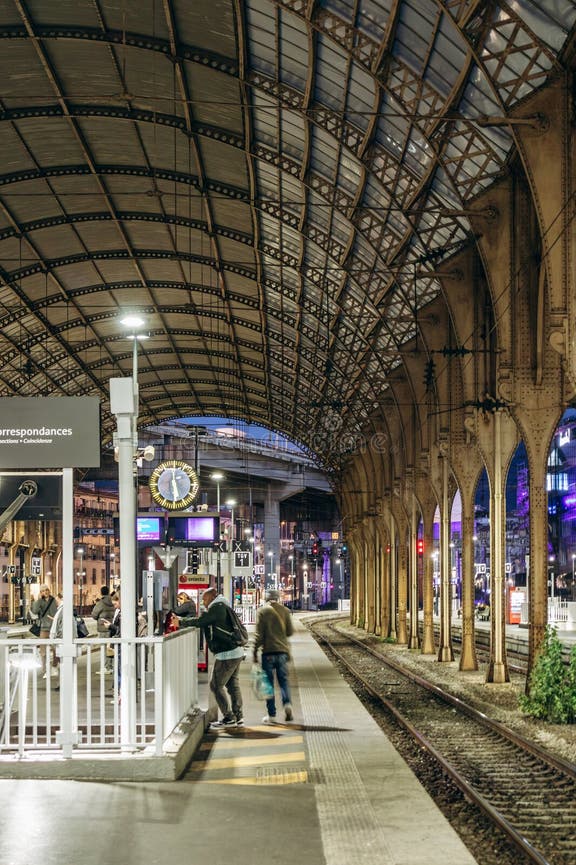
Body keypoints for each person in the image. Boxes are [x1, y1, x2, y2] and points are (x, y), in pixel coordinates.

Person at [179, 587, 244, 728]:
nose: (203, 602)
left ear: (212, 597)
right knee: (232, 685)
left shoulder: (217, 608)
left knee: (215, 685)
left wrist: (181, 622)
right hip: (235, 652)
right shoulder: (222, 605)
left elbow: (202, 621)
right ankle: (238, 717)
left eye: (205, 599)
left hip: (227, 654)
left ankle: (229, 717)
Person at [253, 588, 294, 724]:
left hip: (268, 653)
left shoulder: (262, 612)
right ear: (277, 598)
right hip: (282, 651)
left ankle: (271, 715)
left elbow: (259, 635)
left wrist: (254, 651)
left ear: (266, 598)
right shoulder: (285, 611)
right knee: (283, 681)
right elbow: (289, 632)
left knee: (268, 684)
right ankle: (287, 704)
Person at [30, 585, 57, 674]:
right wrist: (38, 599)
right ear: (40, 593)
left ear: (49, 591)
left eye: (46, 590)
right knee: (43, 651)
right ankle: (44, 669)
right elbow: (34, 611)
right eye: (42, 591)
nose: (45, 592)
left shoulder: (54, 600)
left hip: (53, 628)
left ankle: (54, 666)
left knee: (55, 649)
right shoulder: (40, 601)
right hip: (43, 629)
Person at [91, 586, 115, 673]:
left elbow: (94, 615)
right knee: (111, 647)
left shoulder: (100, 603)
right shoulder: (113, 601)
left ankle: (106, 667)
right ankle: (111, 666)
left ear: (101, 593)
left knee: (104, 648)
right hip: (112, 627)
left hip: (103, 628)